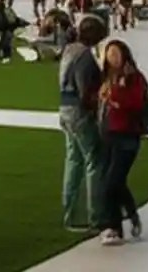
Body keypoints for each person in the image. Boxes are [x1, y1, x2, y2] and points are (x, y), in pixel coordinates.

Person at [59, 14, 108, 232]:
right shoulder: (85, 56)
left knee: (73, 159)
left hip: (65, 109)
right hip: (79, 112)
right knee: (93, 160)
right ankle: (96, 216)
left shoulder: (69, 51)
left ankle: (69, 213)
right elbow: (85, 90)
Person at [96, 39, 146, 245]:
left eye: (116, 54)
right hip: (109, 134)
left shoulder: (134, 77)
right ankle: (130, 215)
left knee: (112, 183)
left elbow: (136, 103)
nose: (113, 59)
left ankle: (112, 227)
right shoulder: (108, 77)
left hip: (127, 136)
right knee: (115, 181)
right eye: (109, 55)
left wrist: (115, 94)